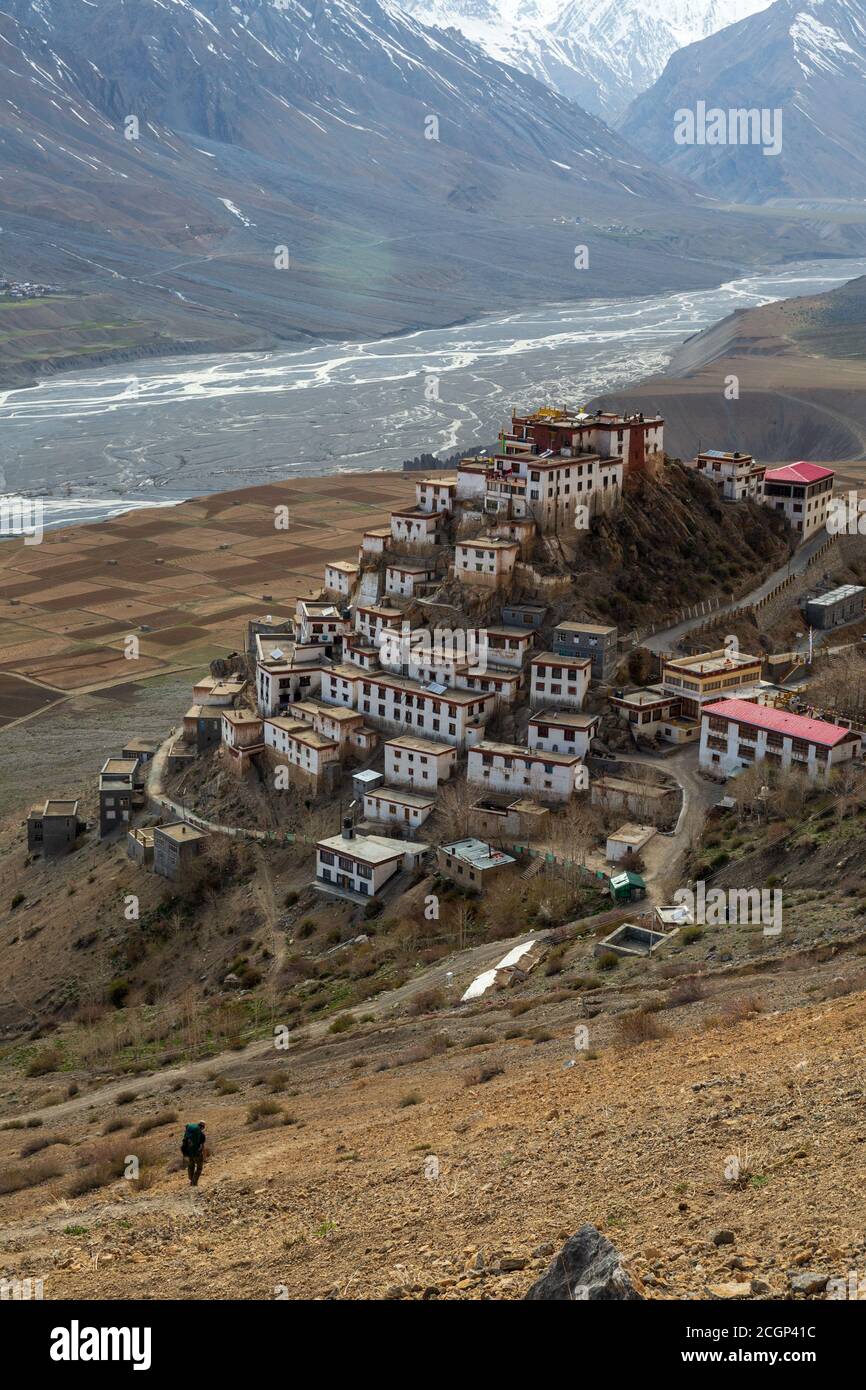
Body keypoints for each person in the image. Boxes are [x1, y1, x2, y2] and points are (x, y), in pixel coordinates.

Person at [181, 1121, 207, 1187]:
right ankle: (194, 1183)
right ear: (203, 1127)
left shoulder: (190, 1132)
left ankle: (191, 1180)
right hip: (197, 1154)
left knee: (191, 1166)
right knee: (199, 1168)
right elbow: (202, 1146)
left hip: (189, 1153)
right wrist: (204, 1155)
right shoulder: (202, 1135)